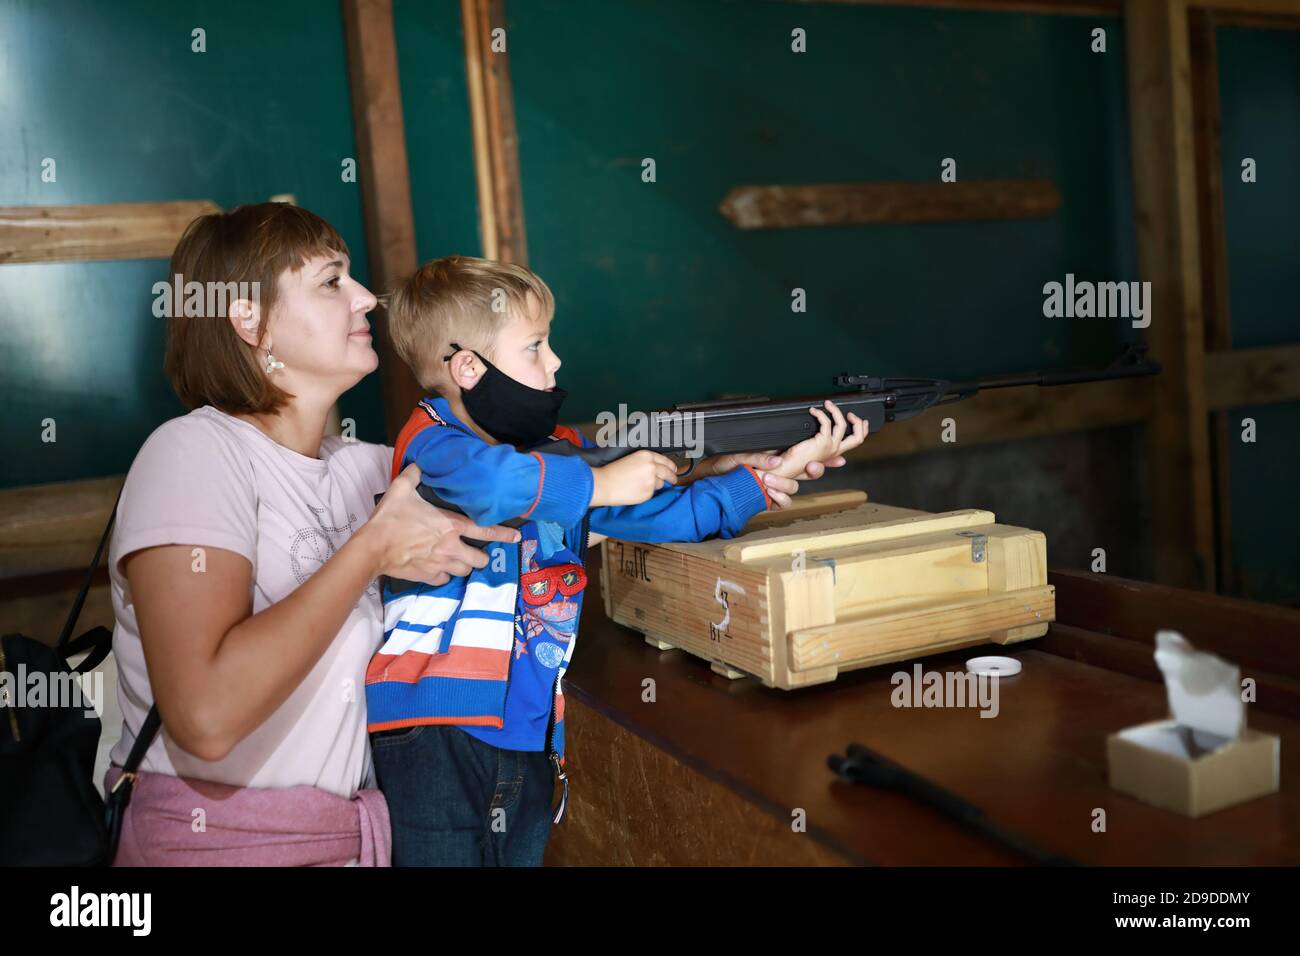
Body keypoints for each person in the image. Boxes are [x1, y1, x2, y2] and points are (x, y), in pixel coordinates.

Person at [367, 255, 867, 866]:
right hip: (433, 727)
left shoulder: (555, 461)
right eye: (536, 347)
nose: (555, 363)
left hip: (527, 731)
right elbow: (498, 489)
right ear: (468, 368)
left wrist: (762, 479)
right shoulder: (434, 442)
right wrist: (602, 484)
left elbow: (666, 516)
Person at [104, 204, 521, 866]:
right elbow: (206, 719)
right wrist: (370, 552)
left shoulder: (362, 468)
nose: (365, 298)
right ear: (250, 320)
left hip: (348, 842)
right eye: (332, 281)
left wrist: (690, 465)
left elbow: (521, 490)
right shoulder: (192, 454)